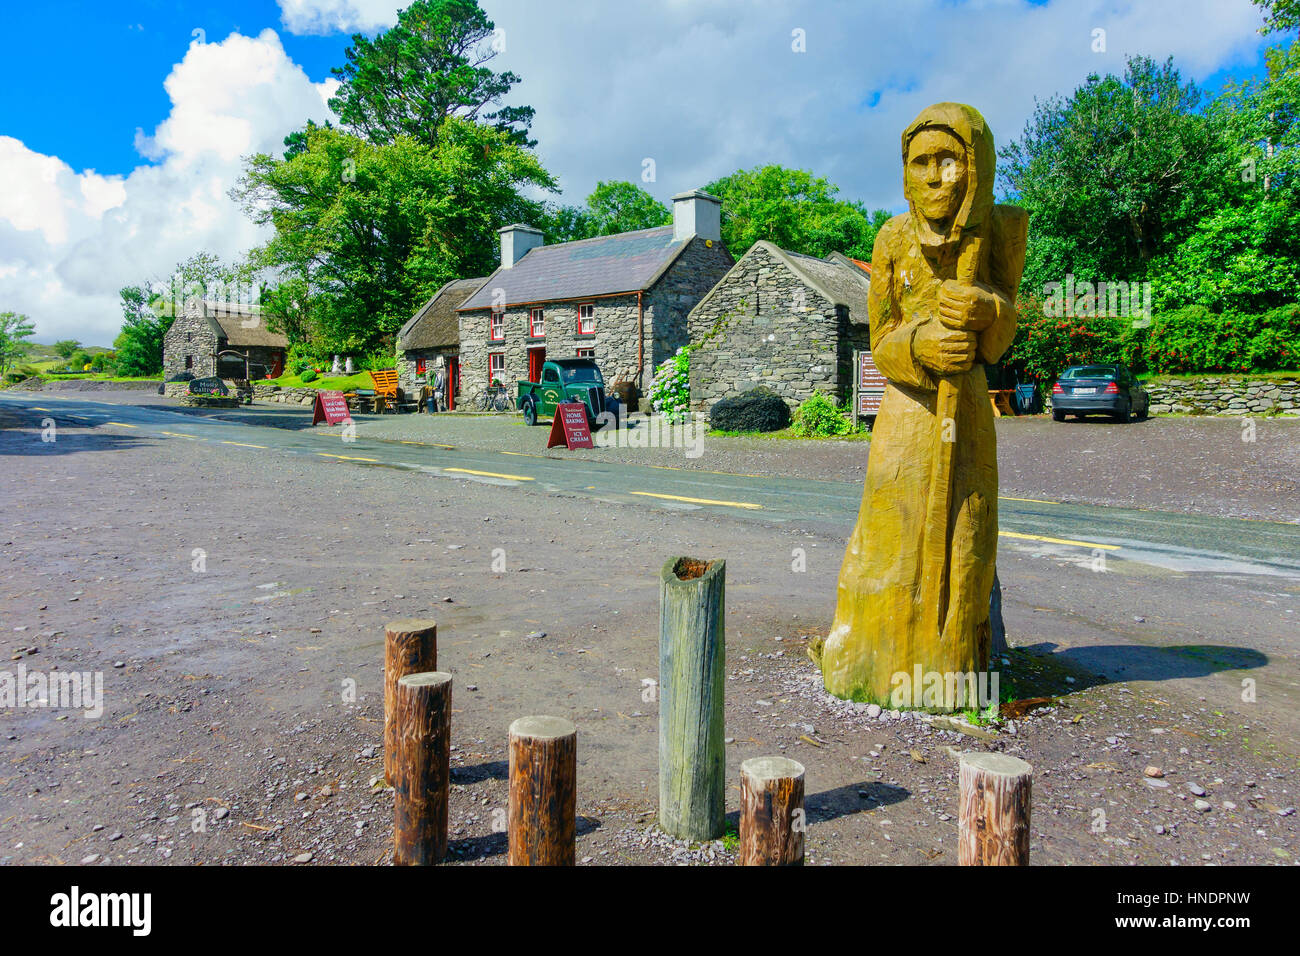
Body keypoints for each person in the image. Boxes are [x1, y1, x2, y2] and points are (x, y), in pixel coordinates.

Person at [813, 103, 1028, 707]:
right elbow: (881, 338)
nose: (935, 177)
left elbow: (1006, 323)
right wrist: (920, 343)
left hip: (969, 418)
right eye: (921, 163)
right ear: (904, 174)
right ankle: (871, 661)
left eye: (950, 161)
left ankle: (954, 668)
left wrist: (990, 312)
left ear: (976, 166)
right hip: (907, 416)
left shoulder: (1002, 230)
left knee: (966, 537)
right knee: (888, 537)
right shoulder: (891, 239)